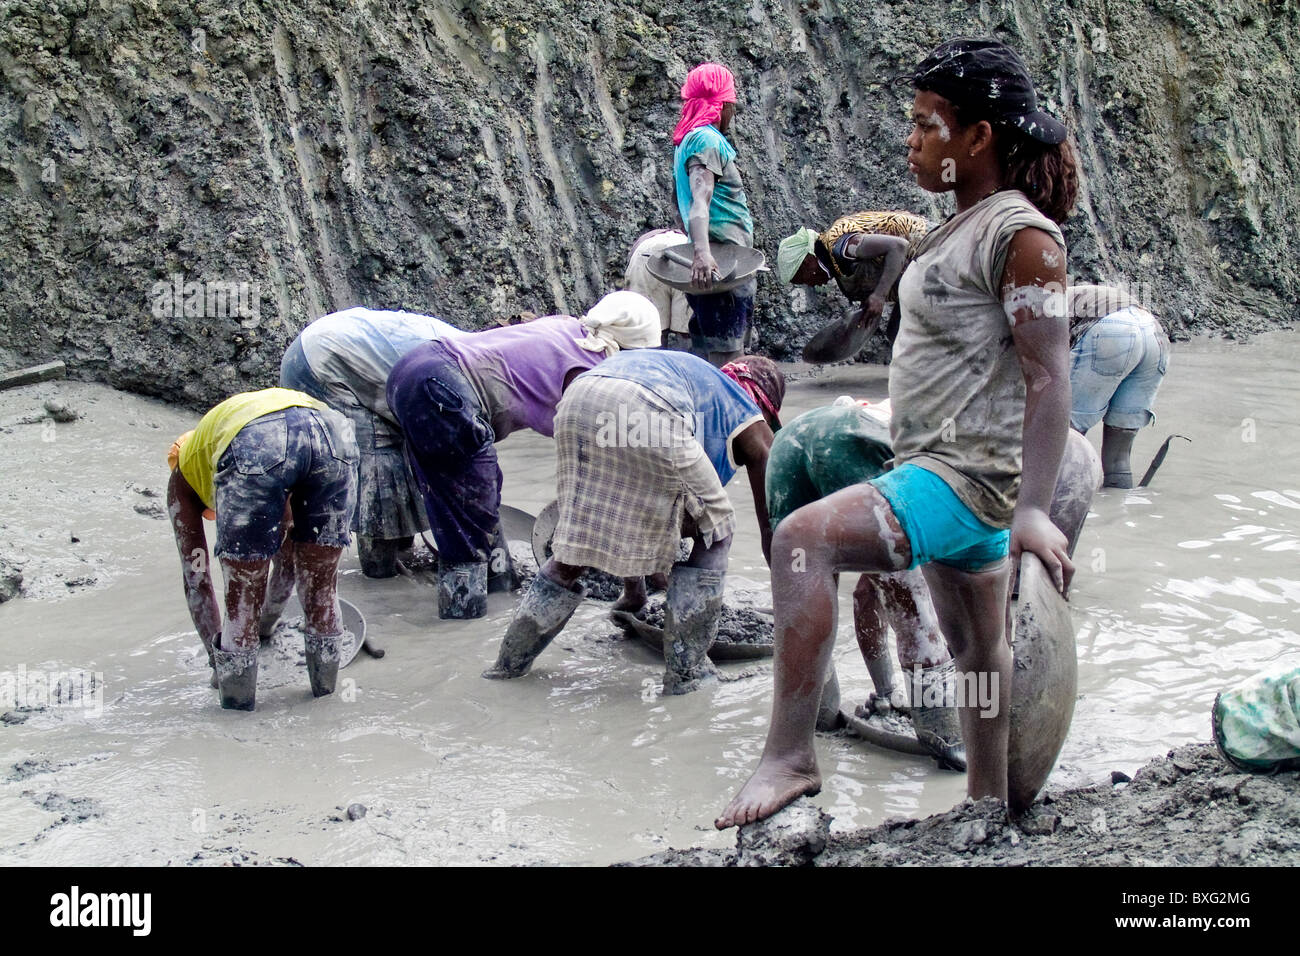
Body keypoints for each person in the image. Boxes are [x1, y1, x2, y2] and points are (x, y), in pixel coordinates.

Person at [717, 37, 1079, 827]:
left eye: (926, 124)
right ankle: (988, 800)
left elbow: (1050, 377)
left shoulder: (1023, 237)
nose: (910, 141)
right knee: (978, 653)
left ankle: (789, 756)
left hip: (964, 478)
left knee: (801, 541)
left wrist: (1034, 510)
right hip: (945, 470)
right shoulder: (958, 229)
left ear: (978, 137)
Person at [483, 351, 784, 694]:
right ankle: (688, 675)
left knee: (575, 545)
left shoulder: (699, 385)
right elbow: (771, 526)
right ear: (766, 405)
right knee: (718, 534)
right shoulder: (747, 413)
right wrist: (789, 597)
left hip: (580, 399)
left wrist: (636, 591)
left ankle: (507, 667)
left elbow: (638, 508)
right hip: (645, 406)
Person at [386, 292, 661, 620]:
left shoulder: (570, 329)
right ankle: (464, 623)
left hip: (417, 367)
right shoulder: (592, 371)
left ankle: (496, 591)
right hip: (444, 389)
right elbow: (600, 468)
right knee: (467, 520)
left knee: (470, 498)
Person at [765, 397, 963, 767]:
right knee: (911, 601)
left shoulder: (923, 401)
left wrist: (885, 690)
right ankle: (948, 737)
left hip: (792, 438)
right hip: (852, 442)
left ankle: (823, 716)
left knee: (804, 589)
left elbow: (865, 593)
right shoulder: (975, 460)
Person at [167, 388, 359, 710]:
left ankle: (238, 711)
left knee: (242, 597)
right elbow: (285, 562)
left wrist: (220, 663)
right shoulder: (220, 435)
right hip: (333, 433)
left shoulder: (183, 475)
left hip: (259, 443)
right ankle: (324, 703)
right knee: (322, 587)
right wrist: (267, 628)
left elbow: (196, 575)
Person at [279, 307, 469, 578]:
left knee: (401, 445)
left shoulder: (465, 349)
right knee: (380, 457)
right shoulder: (462, 369)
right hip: (322, 365)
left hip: (317, 347)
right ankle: (379, 569)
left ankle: (401, 546)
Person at [672, 63, 755, 366]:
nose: (733, 110)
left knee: (707, 354)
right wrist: (703, 254)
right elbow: (699, 201)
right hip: (723, 267)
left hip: (713, 264)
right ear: (720, 105)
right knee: (729, 359)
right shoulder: (707, 142)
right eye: (731, 103)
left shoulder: (686, 142)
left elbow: (680, 205)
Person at [1066, 283, 1170, 488]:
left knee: (1066, 440)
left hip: (1112, 331)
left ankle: (1061, 512)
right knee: (1118, 461)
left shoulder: (1028, 307)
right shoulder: (1065, 295)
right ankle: (1119, 513)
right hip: (1155, 335)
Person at [777, 210, 930, 346]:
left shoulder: (841, 246)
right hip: (917, 271)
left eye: (804, 279)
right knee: (897, 334)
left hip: (933, 251)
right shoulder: (837, 262)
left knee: (906, 335)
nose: (810, 284)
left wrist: (879, 295)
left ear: (807, 262)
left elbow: (898, 247)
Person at [623, 229, 691, 351]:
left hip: (645, 254)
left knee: (649, 329)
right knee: (686, 333)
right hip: (686, 255)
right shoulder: (689, 236)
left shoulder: (649, 237)